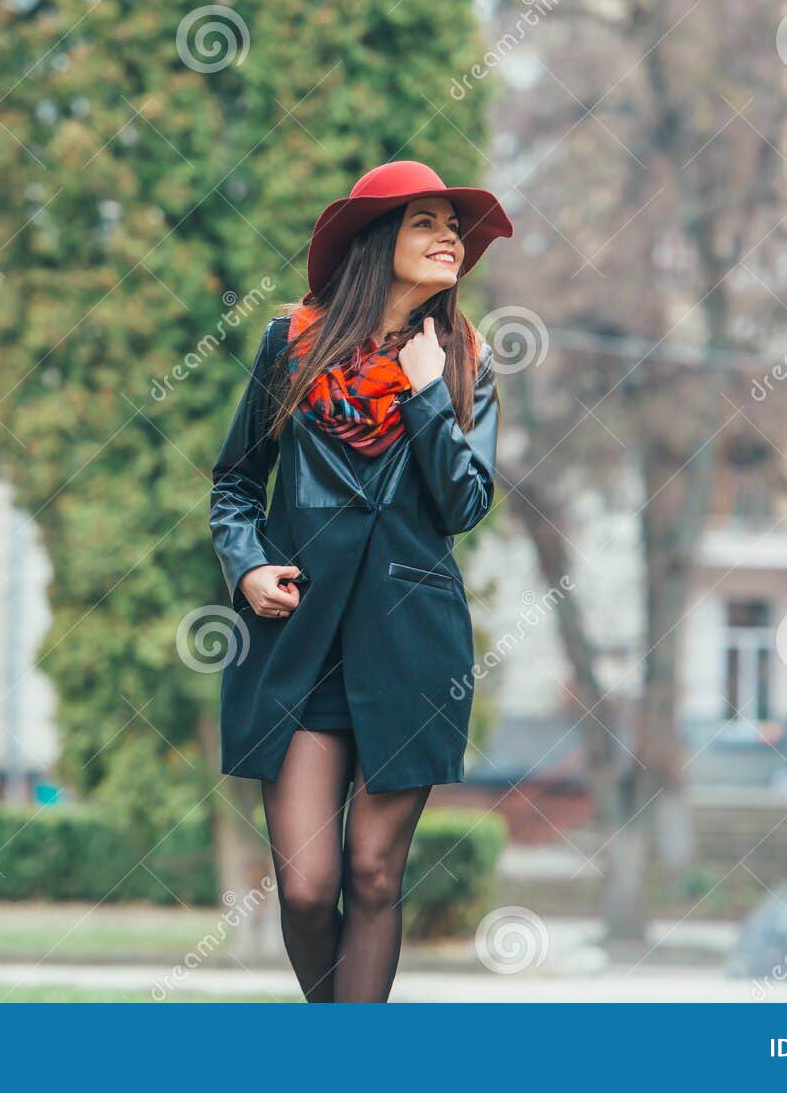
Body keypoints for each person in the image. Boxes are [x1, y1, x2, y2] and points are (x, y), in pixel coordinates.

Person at [209, 160, 513, 1001]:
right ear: (379, 241)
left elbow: (464, 503)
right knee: (306, 890)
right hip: (300, 649)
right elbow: (235, 482)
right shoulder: (292, 346)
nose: (449, 237)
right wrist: (249, 566)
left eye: (454, 227)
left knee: (375, 877)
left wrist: (423, 395)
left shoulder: (465, 364)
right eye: (426, 222)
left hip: (410, 651)